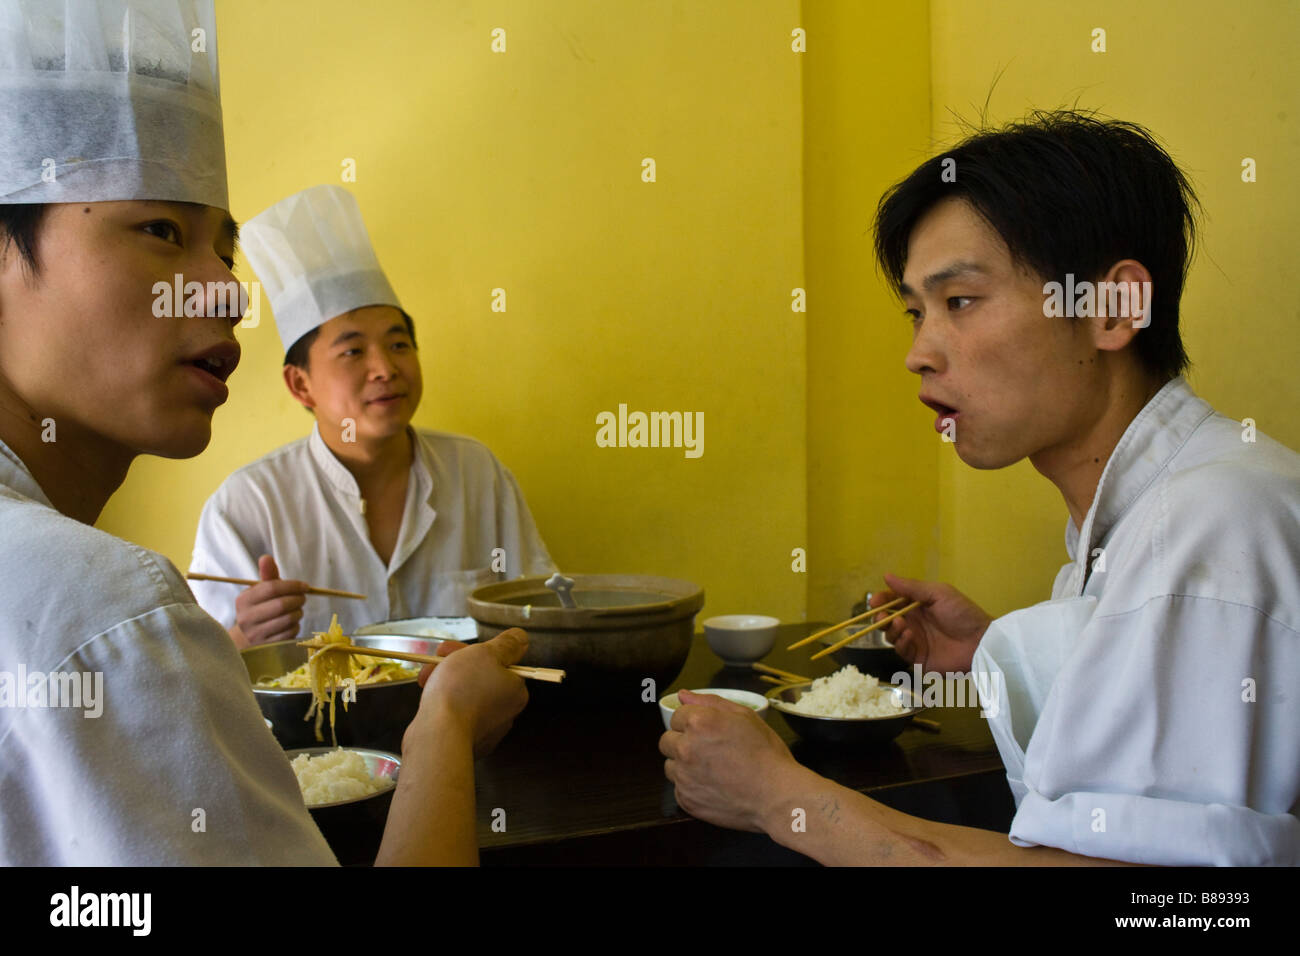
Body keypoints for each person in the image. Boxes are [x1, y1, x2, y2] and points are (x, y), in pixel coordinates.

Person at [661, 111, 1300, 866]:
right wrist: (1000, 652)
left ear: (1115, 309)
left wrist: (779, 796)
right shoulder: (1162, 505)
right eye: (915, 312)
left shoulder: (1210, 521)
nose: (917, 353)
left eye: (959, 301)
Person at [0, 0, 526, 866]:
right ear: (300, 386)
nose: (226, 295)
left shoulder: (479, 472)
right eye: (161, 230)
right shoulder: (113, 618)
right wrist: (448, 722)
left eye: (226, 252)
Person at [187, 184, 553, 648]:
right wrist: (244, 634)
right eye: (353, 351)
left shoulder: (477, 474)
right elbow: (206, 678)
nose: (385, 369)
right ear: (301, 384)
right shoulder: (248, 505)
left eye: (399, 344)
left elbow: (539, 614)